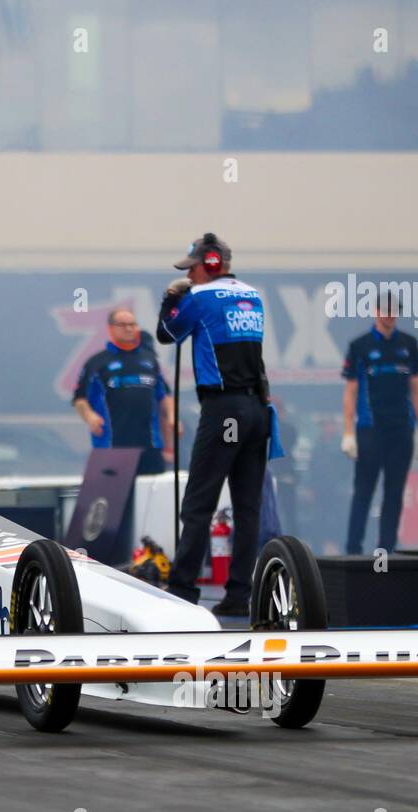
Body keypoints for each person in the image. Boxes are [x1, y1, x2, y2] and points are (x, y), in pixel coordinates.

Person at [156, 233, 270, 616]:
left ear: (211, 263)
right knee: (247, 506)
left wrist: (172, 298)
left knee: (198, 502)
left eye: (192, 269)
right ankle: (240, 594)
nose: (190, 276)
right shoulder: (252, 295)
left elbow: (167, 333)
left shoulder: (199, 298)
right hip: (257, 410)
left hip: (224, 411)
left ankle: (183, 591)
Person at [340, 291, 418, 554]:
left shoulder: (409, 344)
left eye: (393, 310)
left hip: (401, 429)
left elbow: (416, 390)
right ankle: (353, 548)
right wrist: (348, 431)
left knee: (394, 492)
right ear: (375, 311)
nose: (389, 314)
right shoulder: (360, 346)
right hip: (370, 429)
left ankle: (386, 548)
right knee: (364, 491)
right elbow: (351, 391)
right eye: (384, 309)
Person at [72, 308, 176, 475]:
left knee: (149, 494)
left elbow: (164, 395)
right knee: (115, 497)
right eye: (122, 325)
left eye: (132, 324)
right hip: (112, 446)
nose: (128, 329)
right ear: (111, 329)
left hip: (150, 445)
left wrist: (172, 416)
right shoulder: (97, 363)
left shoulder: (149, 361)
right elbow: (80, 399)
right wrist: (89, 417)